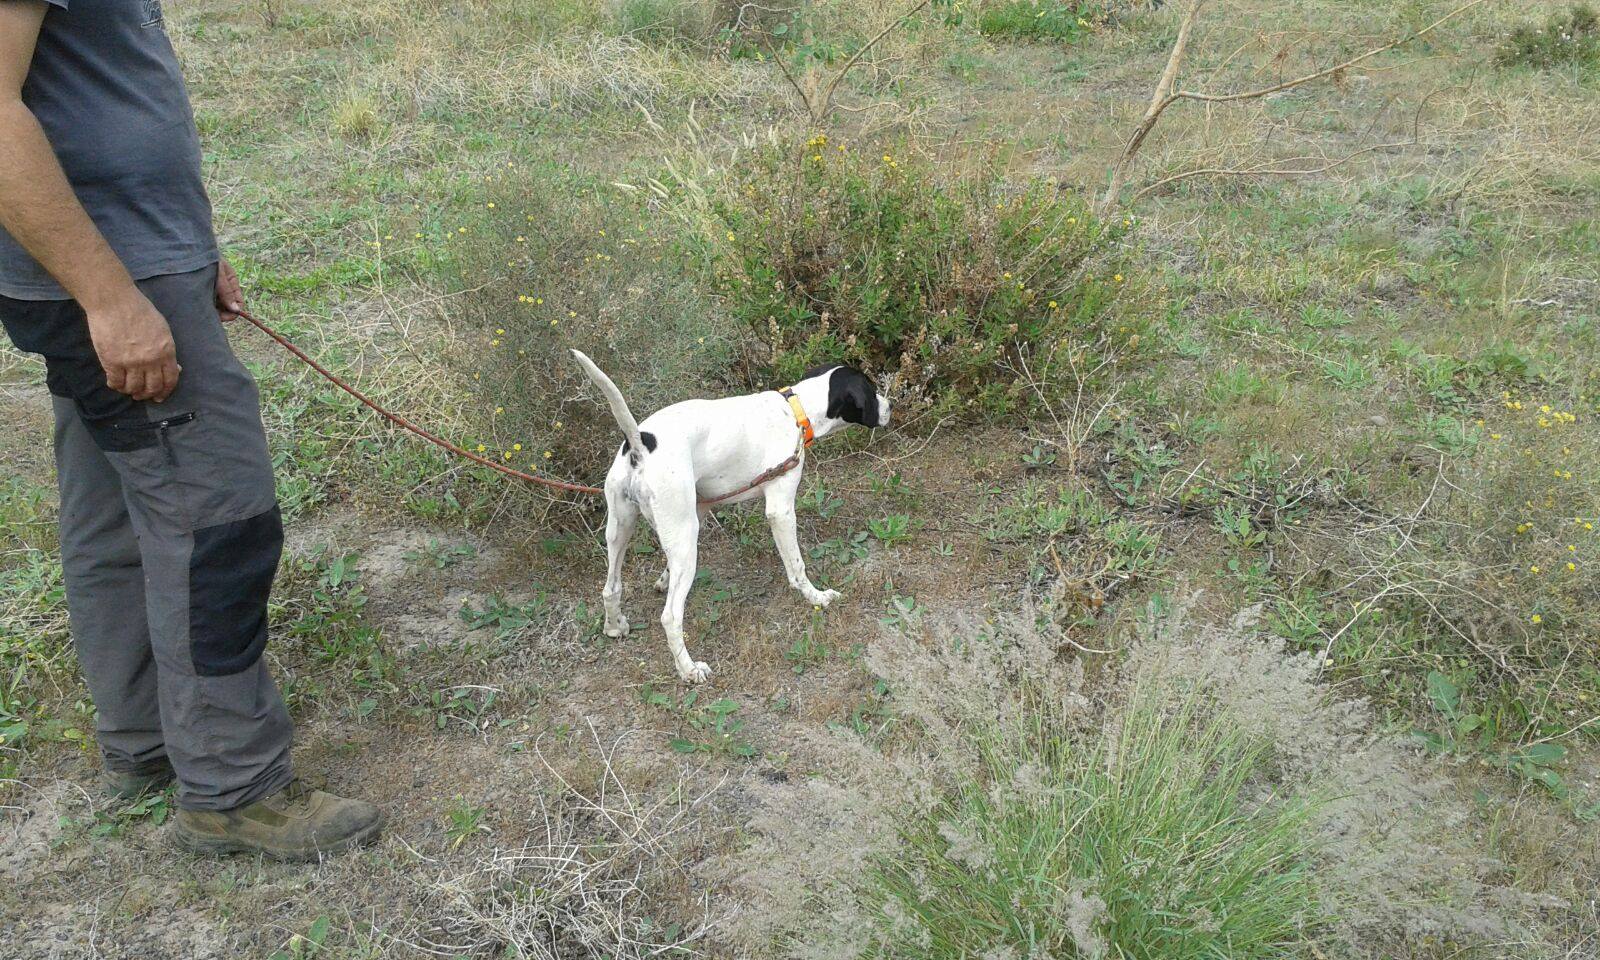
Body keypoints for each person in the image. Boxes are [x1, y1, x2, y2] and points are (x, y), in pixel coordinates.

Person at [0, 0, 382, 861]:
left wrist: (188, 247)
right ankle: (232, 787)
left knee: (113, 516)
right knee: (219, 522)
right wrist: (110, 296)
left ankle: (143, 743)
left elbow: (101, 82)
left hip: (137, 259)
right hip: (109, 278)